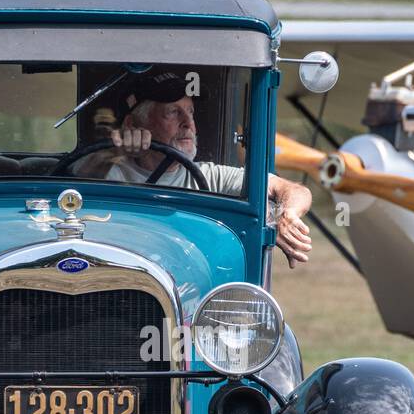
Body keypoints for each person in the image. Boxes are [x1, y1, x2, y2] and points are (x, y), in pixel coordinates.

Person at [79, 70, 314, 267]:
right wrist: (114, 152)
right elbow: (75, 195)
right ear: (133, 124)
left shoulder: (210, 177)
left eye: (190, 112)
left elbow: (295, 190)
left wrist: (287, 214)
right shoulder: (108, 172)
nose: (188, 124)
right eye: (173, 112)